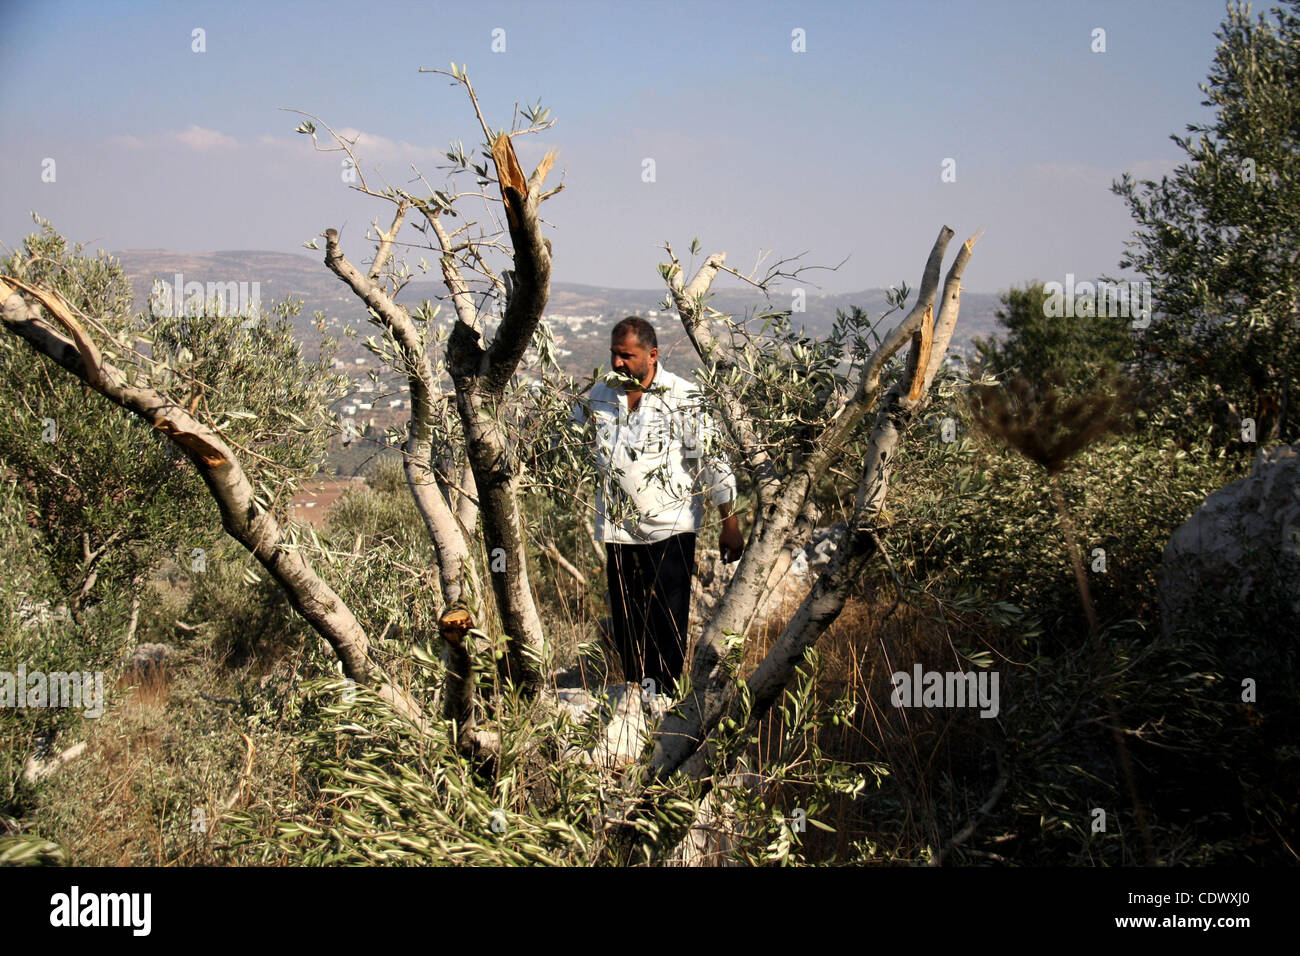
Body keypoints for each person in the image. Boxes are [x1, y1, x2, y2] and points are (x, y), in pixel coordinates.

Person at [569, 317, 743, 693]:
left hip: (671, 527)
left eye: (626, 355)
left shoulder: (683, 396)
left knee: (667, 620)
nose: (617, 363)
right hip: (618, 528)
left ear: (652, 354)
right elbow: (567, 441)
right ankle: (635, 698)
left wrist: (730, 522)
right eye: (614, 354)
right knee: (627, 620)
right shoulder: (600, 395)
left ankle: (662, 697)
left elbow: (713, 459)